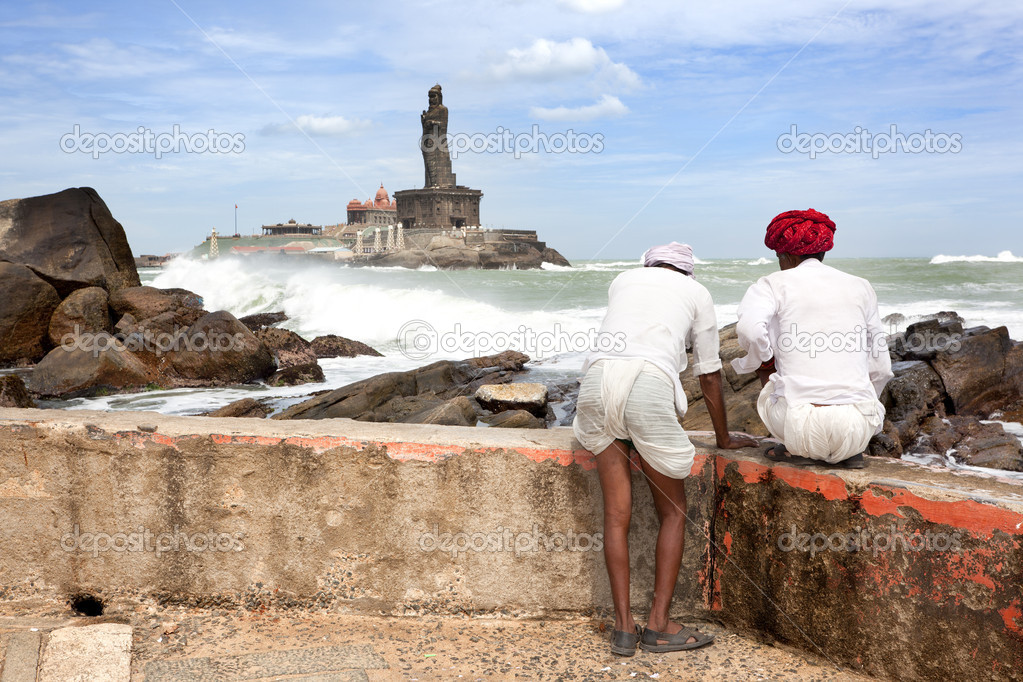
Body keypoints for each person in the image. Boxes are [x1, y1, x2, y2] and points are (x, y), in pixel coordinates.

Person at [573, 242, 757, 656]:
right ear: (687, 272)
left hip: (596, 383)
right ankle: (658, 626)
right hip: (648, 385)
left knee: (615, 514)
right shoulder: (696, 292)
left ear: (650, 264)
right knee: (673, 512)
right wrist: (724, 438)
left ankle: (623, 629)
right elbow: (708, 372)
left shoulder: (624, 280)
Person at [731, 209, 893, 469]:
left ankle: (790, 448)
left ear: (788, 256)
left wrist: (762, 359)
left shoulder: (772, 283)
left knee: (768, 375)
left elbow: (750, 330)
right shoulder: (861, 285)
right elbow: (881, 368)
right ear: (822, 252)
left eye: (779, 257)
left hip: (799, 429)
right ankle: (849, 453)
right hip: (856, 430)